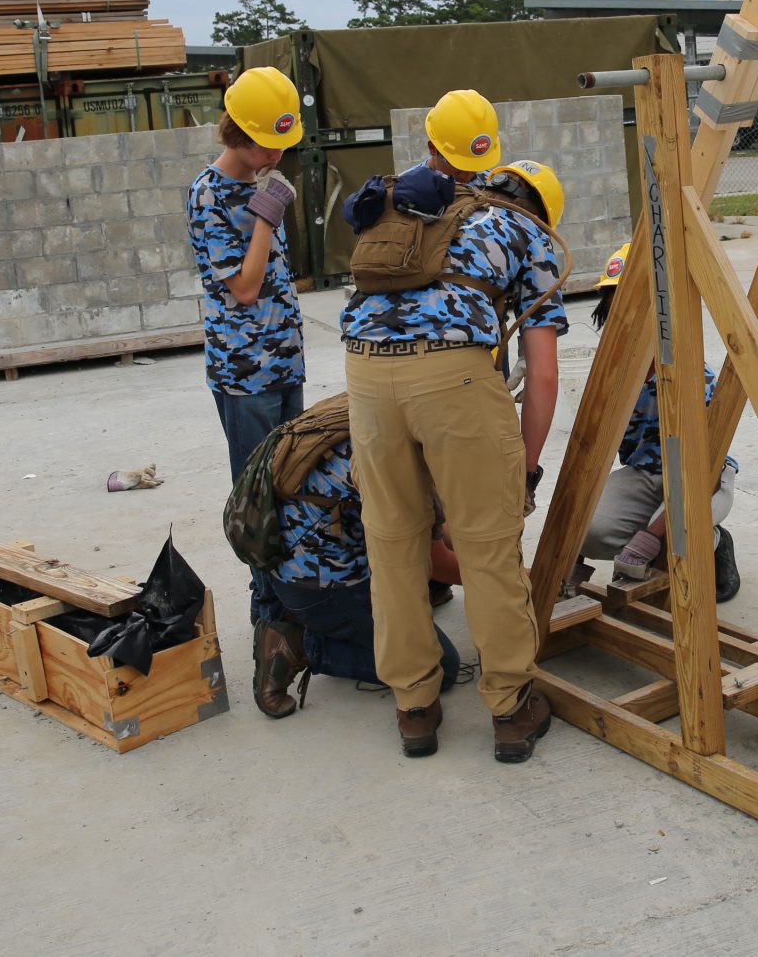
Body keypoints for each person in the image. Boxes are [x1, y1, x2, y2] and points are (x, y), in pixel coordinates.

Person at [341, 91, 568, 763]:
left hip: (365, 376)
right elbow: (544, 375)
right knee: (488, 544)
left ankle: (415, 707)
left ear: (431, 147)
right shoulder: (525, 231)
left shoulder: (392, 205)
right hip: (454, 378)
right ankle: (510, 707)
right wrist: (524, 467)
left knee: (392, 541)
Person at [185, 65, 308, 701]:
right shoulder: (209, 195)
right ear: (236, 133)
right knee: (262, 499)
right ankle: (268, 624)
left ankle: (293, 611)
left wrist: (266, 199)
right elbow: (244, 286)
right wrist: (265, 216)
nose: (276, 156)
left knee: (298, 485)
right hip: (245, 376)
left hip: (283, 360)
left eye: (283, 144)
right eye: (266, 144)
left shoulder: (263, 180)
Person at [251, 399, 463, 717]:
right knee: (437, 666)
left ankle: (330, 620)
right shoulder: (400, 460)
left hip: (285, 561)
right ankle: (303, 646)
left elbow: (443, 528)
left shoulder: (373, 407)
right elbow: (440, 559)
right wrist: (513, 580)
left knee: (412, 540)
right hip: (322, 588)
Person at [575, 243, 742, 600]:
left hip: (702, 473)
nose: (627, 321)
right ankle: (667, 532)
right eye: (617, 309)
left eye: (639, 308)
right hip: (643, 472)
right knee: (592, 531)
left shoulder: (695, 378)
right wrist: (570, 549)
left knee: (681, 529)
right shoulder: (613, 375)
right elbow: (591, 449)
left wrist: (653, 535)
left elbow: (698, 466)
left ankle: (713, 542)